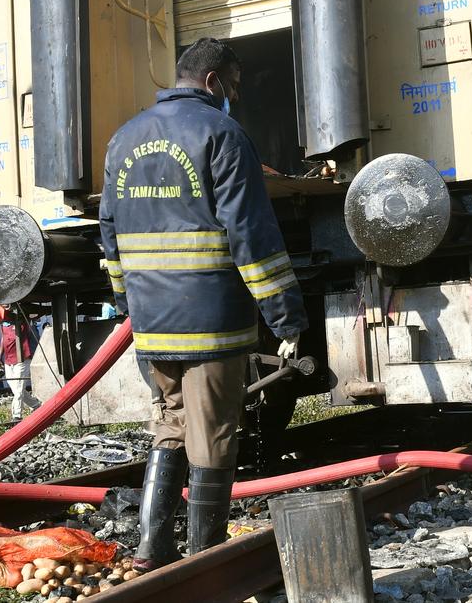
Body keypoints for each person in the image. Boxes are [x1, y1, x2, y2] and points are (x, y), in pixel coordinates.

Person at [99, 37, 308, 570]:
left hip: (154, 327)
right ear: (214, 82)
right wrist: (285, 317)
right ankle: (203, 559)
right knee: (213, 434)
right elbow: (251, 234)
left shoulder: (124, 138)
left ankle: (153, 550)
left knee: (169, 424)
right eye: (233, 86)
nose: (234, 95)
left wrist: (129, 304)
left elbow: (110, 233)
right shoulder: (222, 133)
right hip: (212, 323)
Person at [0, 304, 41, 418]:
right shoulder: (4, 326)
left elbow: (30, 316)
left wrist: (15, 310)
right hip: (8, 361)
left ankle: (16, 415)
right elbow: (3, 340)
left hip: (22, 360)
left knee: (18, 389)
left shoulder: (22, 323)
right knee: (16, 388)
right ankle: (36, 405)